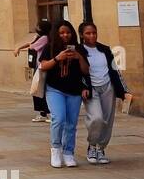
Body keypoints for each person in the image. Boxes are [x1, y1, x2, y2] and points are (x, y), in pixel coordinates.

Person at [38, 20, 90, 168]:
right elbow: (42, 65)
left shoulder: (79, 48)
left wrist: (79, 57)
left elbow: (86, 70)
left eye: (67, 32)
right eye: (61, 33)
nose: (65, 35)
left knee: (71, 123)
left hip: (74, 90)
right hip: (55, 89)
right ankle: (55, 149)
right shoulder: (51, 47)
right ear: (56, 34)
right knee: (58, 118)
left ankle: (68, 152)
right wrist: (57, 58)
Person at [79, 22, 125, 164]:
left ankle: (101, 148)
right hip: (91, 89)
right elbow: (77, 72)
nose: (92, 35)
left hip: (107, 87)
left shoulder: (105, 49)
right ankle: (92, 145)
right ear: (82, 35)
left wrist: (123, 92)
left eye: (94, 32)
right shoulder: (79, 50)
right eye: (88, 33)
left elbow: (115, 71)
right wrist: (82, 87)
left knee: (107, 120)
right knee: (96, 118)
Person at [13, 19, 51, 121]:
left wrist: (27, 45)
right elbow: (29, 43)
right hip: (37, 66)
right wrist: (19, 48)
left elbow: (32, 46)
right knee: (37, 90)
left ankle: (49, 112)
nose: (36, 28)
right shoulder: (38, 37)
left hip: (42, 66)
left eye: (38, 27)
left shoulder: (45, 38)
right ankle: (42, 113)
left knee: (42, 89)